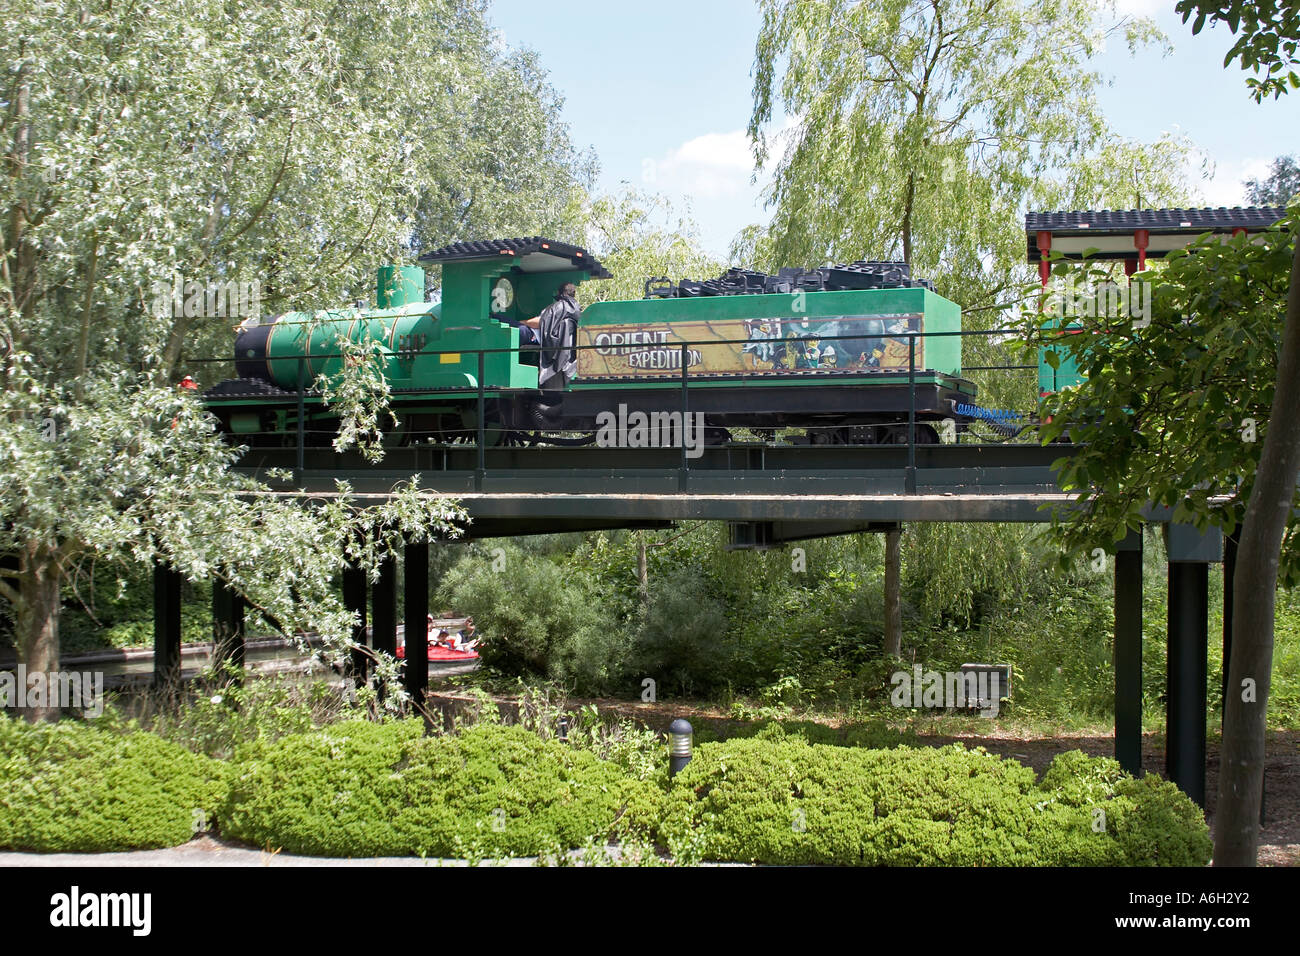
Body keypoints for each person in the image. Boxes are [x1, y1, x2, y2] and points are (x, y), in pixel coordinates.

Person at [525, 282, 581, 389]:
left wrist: (522, 322)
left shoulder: (556, 308)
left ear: (560, 293)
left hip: (555, 353)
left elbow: (542, 323)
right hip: (571, 356)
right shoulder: (578, 310)